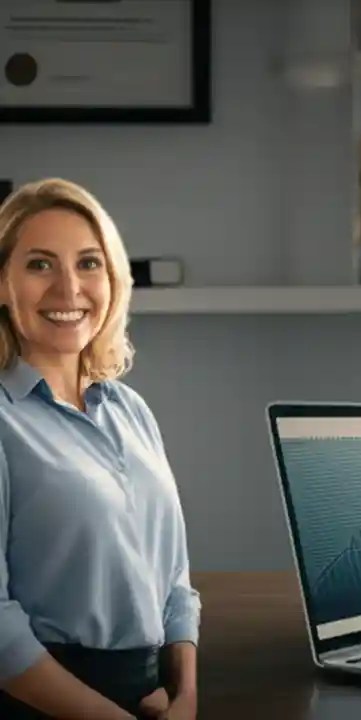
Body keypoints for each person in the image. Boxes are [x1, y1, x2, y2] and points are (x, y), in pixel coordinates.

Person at [0, 179, 200, 719]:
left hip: (152, 697)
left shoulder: (130, 409)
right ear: (2, 283)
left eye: (89, 263)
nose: (69, 289)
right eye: (40, 265)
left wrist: (186, 697)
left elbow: (175, 583)